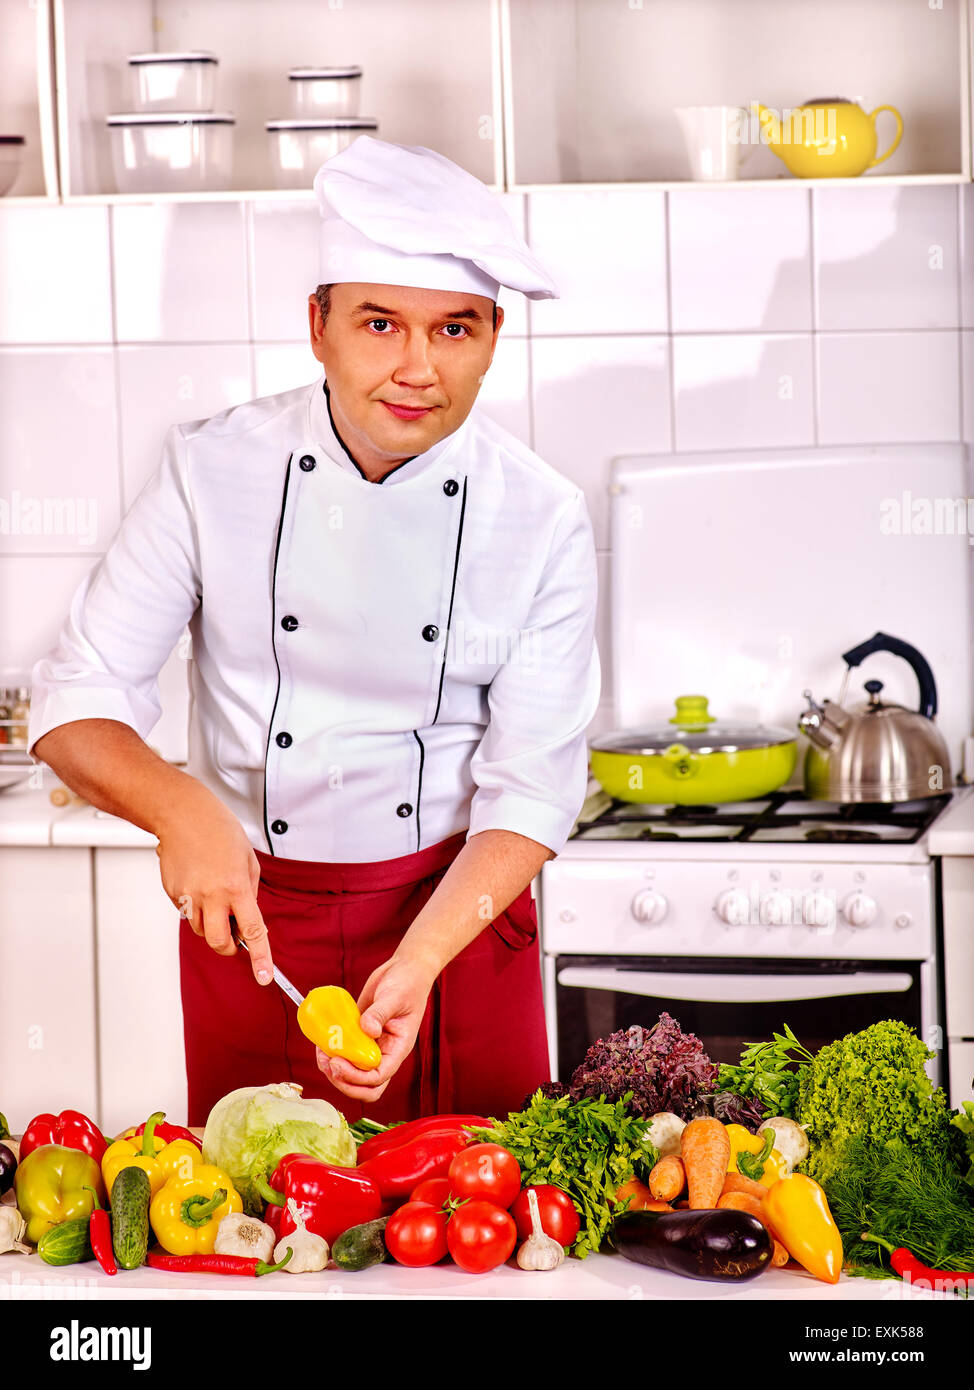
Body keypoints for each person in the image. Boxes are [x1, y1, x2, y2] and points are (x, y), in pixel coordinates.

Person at [27, 137, 600, 1125]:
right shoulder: (211, 475)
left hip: (456, 920)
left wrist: (418, 961)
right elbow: (75, 704)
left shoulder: (540, 516)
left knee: (489, 1246)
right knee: (267, 1235)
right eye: (379, 323)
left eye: (454, 330)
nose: (416, 368)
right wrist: (179, 810)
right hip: (256, 925)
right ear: (318, 327)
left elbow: (534, 786)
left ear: (493, 338)